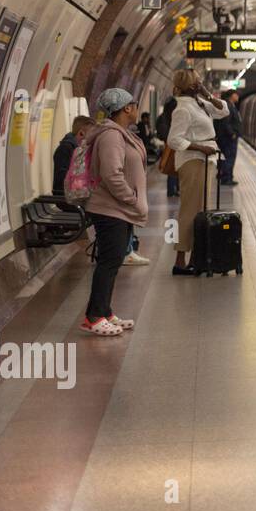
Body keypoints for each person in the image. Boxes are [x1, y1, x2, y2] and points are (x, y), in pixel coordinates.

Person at [79, 88, 148, 336]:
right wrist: (131, 198)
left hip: (118, 209)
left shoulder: (119, 134)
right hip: (111, 209)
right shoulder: (111, 136)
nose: (137, 108)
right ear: (126, 108)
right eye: (135, 104)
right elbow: (111, 175)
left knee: (114, 260)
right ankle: (94, 317)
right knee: (108, 262)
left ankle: (105, 311)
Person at [166, 68, 230, 275]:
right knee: (189, 210)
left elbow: (224, 111)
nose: (201, 83)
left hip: (205, 161)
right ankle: (179, 260)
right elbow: (174, 139)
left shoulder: (199, 104)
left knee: (201, 210)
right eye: (198, 82)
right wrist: (201, 147)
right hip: (193, 162)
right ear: (191, 85)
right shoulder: (183, 109)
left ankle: (196, 256)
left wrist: (207, 94)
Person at [52, 115, 95, 195]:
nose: (93, 138)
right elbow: (61, 177)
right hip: (65, 195)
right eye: (91, 135)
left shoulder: (80, 149)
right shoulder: (65, 149)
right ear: (81, 133)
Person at [215, 90, 242, 186]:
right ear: (232, 96)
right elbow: (226, 122)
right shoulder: (229, 106)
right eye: (236, 94)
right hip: (228, 138)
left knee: (226, 157)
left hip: (225, 137)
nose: (238, 96)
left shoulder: (229, 105)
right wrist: (232, 134)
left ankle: (225, 176)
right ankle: (226, 178)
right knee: (229, 157)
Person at [155, 96, 179, 197]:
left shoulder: (165, 116)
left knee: (174, 168)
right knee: (171, 168)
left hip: (172, 145)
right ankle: (171, 190)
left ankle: (175, 189)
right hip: (170, 146)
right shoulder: (166, 117)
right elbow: (164, 133)